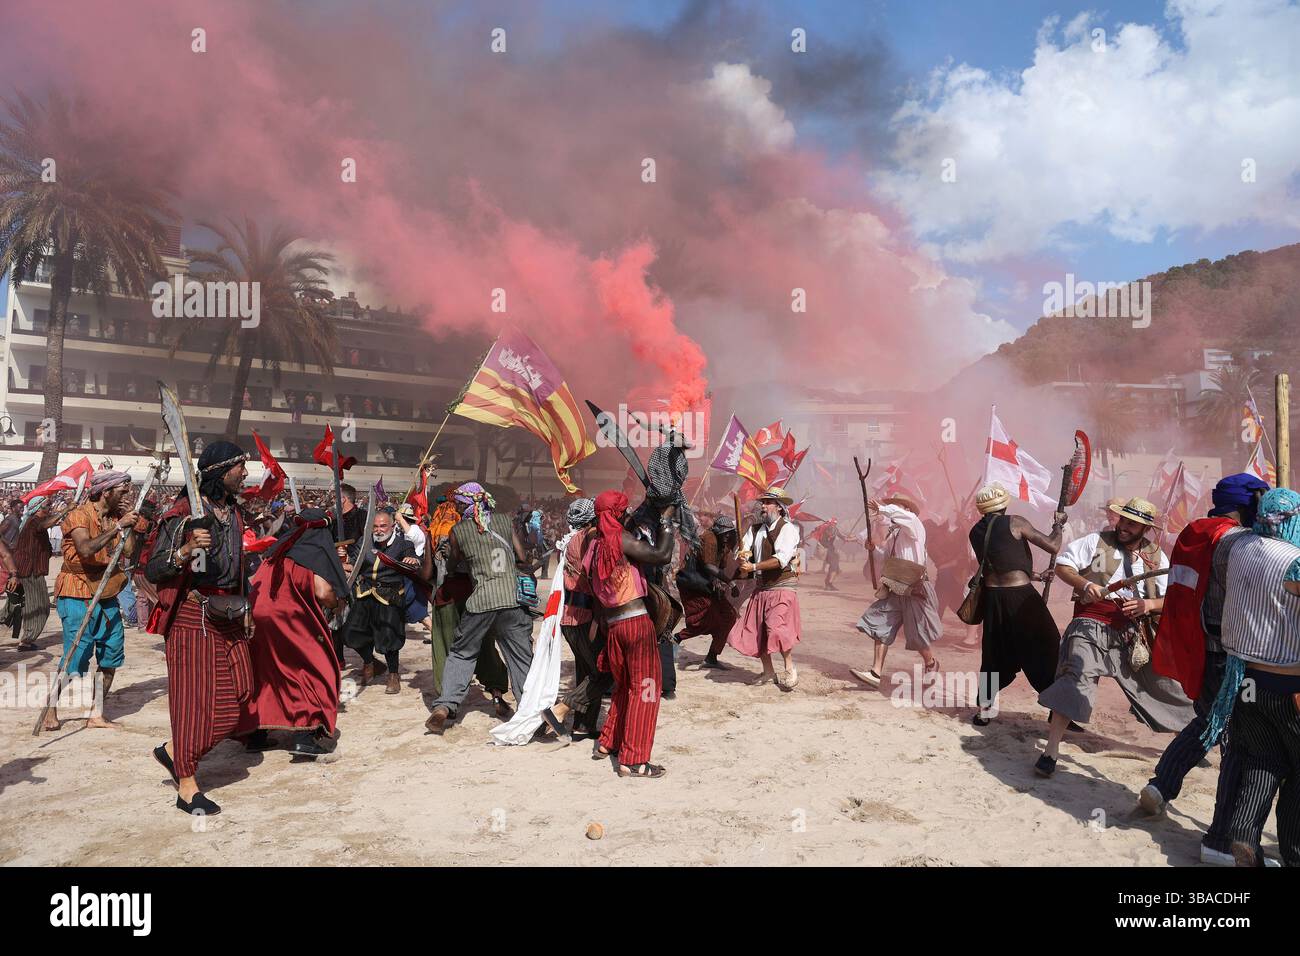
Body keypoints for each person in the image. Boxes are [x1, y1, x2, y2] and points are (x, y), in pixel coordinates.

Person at [1136, 473, 1269, 866]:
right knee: (1238, 742)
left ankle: (1162, 784)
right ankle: (1220, 840)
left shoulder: (1193, 533)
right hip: (1234, 658)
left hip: (1204, 650)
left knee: (1211, 721)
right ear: (1251, 502)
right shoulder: (1241, 543)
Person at [1034, 497, 1195, 777]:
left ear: (1145, 529)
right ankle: (1050, 751)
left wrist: (1148, 605)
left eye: (1131, 524)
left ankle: (1197, 741)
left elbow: (1174, 599)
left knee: (1165, 687)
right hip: (1089, 623)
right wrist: (1084, 584)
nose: (1123, 527)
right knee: (1076, 678)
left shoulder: (1157, 556)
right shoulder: (1095, 541)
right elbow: (1063, 566)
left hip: (1132, 633)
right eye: (1123, 520)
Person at [145, 441, 255, 815]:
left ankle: (174, 751)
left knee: (241, 691)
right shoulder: (183, 515)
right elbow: (153, 569)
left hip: (230, 612)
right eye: (240, 466)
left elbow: (240, 568)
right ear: (220, 470)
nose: (245, 473)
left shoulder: (233, 512)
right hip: (194, 615)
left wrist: (247, 607)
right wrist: (186, 548)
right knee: (193, 704)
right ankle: (187, 786)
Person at [1201, 487, 1300, 867]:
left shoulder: (1239, 549)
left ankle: (1243, 835)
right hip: (1288, 685)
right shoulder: (1294, 561)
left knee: (1263, 760)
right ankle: (1294, 854)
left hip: (1244, 681)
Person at [425, 482, 535, 734]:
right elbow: (521, 557)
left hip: (481, 602)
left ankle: (445, 706)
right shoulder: (506, 522)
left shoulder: (458, 530)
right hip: (511, 600)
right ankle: (531, 708)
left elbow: (453, 566)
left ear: (463, 505)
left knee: (462, 653)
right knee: (520, 657)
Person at [245, 507, 349, 757]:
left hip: (258, 617)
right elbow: (323, 592)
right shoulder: (311, 554)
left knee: (266, 673)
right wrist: (337, 603)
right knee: (312, 670)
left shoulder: (277, 551)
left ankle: (257, 733)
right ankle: (305, 735)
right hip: (289, 620)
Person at [587, 491, 676, 777]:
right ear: (617, 515)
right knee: (647, 688)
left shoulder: (593, 545)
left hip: (613, 626)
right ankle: (634, 760)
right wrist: (667, 521)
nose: (627, 516)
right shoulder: (621, 540)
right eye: (624, 512)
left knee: (624, 686)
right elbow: (662, 555)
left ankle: (609, 742)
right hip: (636, 623)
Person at [43, 470, 140, 732]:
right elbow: (85, 549)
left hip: (107, 591)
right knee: (76, 654)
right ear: (106, 492)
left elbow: (129, 551)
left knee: (111, 655)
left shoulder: (116, 517)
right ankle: (51, 705)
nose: (126, 496)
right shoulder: (79, 515)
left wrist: (125, 523)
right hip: (77, 591)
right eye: (122, 491)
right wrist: (118, 527)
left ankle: (96, 713)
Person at [966, 483, 1065, 725]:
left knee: (993, 655)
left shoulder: (975, 532)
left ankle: (984, 710)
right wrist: (1059, 524)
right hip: (1021, 598)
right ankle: (1058, 709)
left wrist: (1038, 576)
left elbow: (1000, 565)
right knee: (1048, 644)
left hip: (993, 600)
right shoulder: (1016, 522)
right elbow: (1053, 545)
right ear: (1004, 504)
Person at [851, 492, 940, 688]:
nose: (893, 510)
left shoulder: (914, 524)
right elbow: (887, 559)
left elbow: (902, 516)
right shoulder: (894, 534)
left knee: (918, 634)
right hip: (895, 585)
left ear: (906, 510)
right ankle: (875, 672)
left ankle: (931, 663)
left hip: (914, 586)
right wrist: (874, 550)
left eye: (897, 506)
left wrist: (883, 508)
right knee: (882, 626)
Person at [539, 498, 607, 742]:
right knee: (603, 673)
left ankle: (583, 725)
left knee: (586, 672)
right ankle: (560, 711)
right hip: (585, 618)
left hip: (571, 617)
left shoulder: (571, 540)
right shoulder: (589, 538)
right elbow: (596, 580)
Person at [729, 487, 802, 690]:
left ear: (778, 508)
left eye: (767, 503)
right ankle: (768, 671)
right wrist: (742, 554)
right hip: (762, 588)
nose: (763, 506)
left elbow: (780, 560)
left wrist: (753, 566)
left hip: (782, 587)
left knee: (776, 628)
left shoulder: (788, 529)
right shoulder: (755, 529)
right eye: (762, 502)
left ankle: (789, 669)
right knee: (757, 631)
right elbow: (742, 549)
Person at [340, 509, 417, 695]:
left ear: (392, 526)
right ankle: (370, 663)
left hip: (389, 596)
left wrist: (412, 560)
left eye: (383, 525)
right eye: (375, 526)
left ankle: (393, 674)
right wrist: (343, 558)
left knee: (390, 637)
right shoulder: (364, 542)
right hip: (365, 592)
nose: (379, 530)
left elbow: (414, 560)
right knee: (350, 634)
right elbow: (354, 563)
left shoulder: (402, 545)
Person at [675, 513, 739, 669]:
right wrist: (730, 583)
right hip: (693, 584)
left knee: (728, 616)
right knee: (705, 620)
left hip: (709, 585)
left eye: (728, 534)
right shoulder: (709, 537)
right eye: (723, 534)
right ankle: (676, 638)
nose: (725, 537)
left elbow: (721, 567)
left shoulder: (726, 542)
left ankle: (712, 657)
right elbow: (709, 566)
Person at [11, 499, 59, 651]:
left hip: (28, 569)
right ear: (38, 509)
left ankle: (27, 638)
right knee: (40, 606)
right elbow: (42, 526)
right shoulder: (34, 522)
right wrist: (64, 511)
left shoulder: (31, 522)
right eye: (47, 506)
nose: (50, 509)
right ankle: (26, 641)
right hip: (30, 571)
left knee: (19, 607)